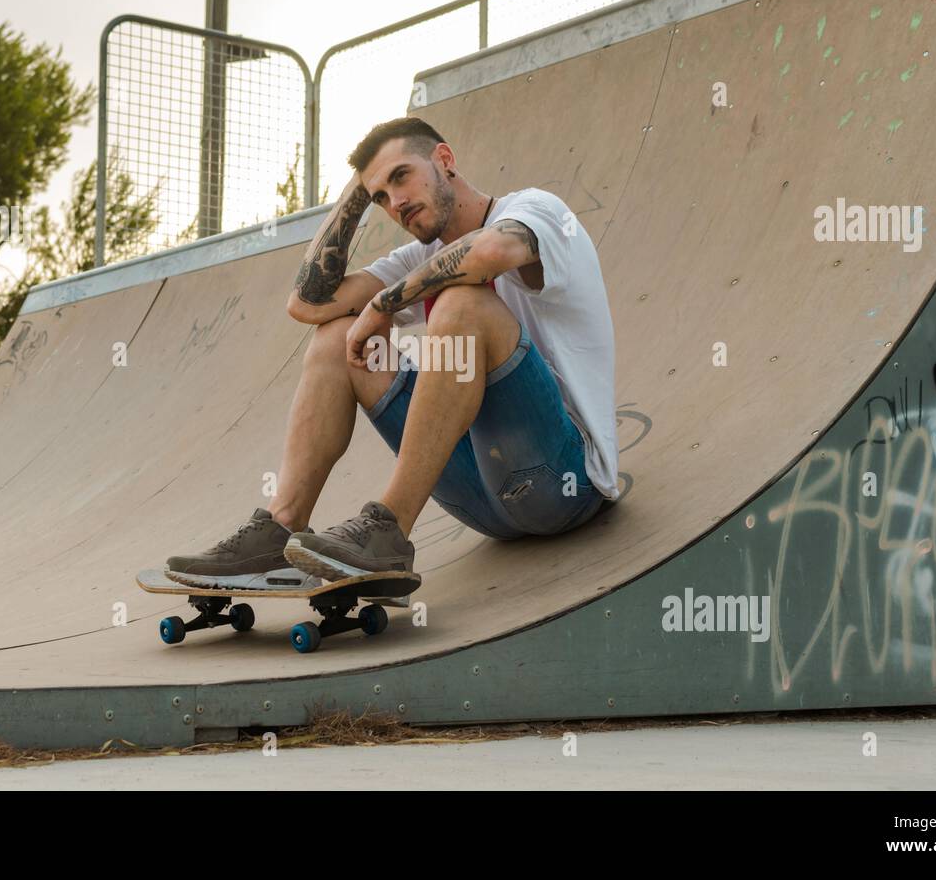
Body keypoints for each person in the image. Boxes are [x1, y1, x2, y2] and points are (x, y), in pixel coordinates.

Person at [166, 116, 617, 588]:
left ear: (444, 161)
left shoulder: (535, 209)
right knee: (336, 337)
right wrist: (357, 191)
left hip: (564, 480)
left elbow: (493, 252)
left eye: (401, 176)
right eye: (381, 196)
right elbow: (307, 304)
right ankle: (282, 528)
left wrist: (384, 303)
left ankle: (389, 529)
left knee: (461, 303)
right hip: (482, 500)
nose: (395, 202)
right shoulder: (415, 259)